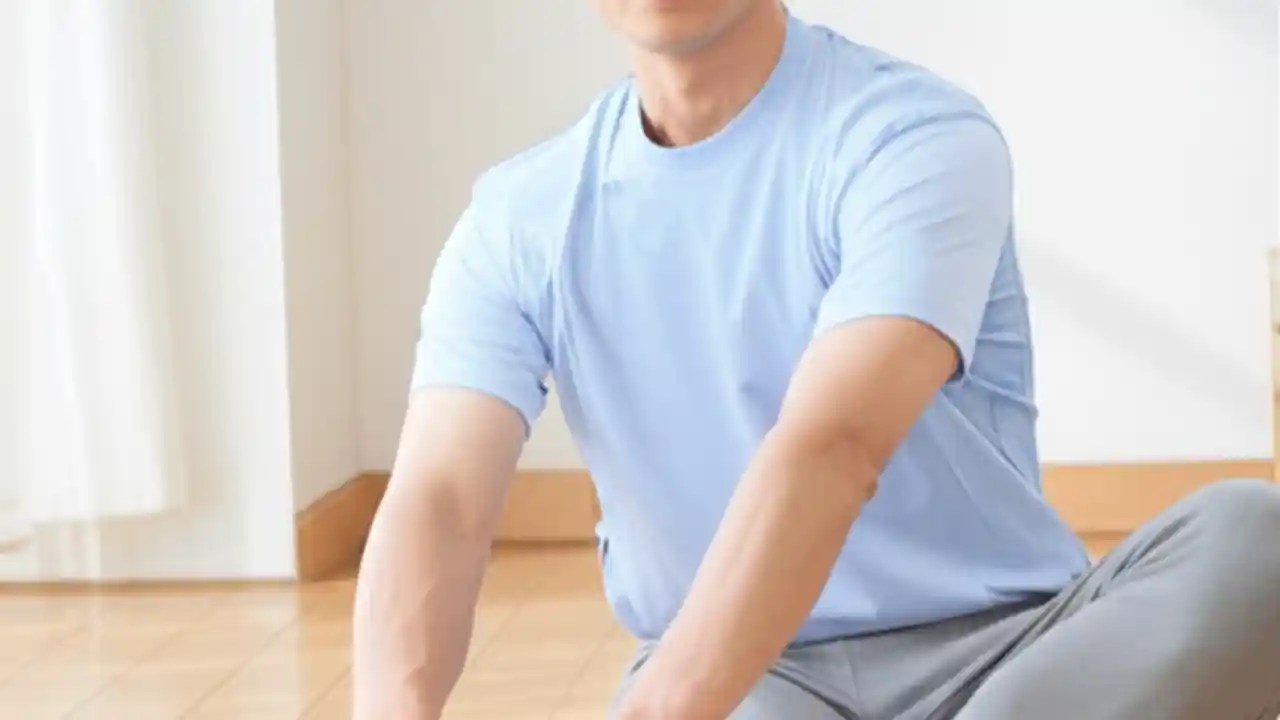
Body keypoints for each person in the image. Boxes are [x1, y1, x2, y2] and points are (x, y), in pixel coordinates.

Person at [352, 2, 1280, 718]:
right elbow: (441, 498)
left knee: (1253, 535)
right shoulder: (520, 220)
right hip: (750, 684)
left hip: (1010, 661)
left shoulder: (912, 137)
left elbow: (834, 446)